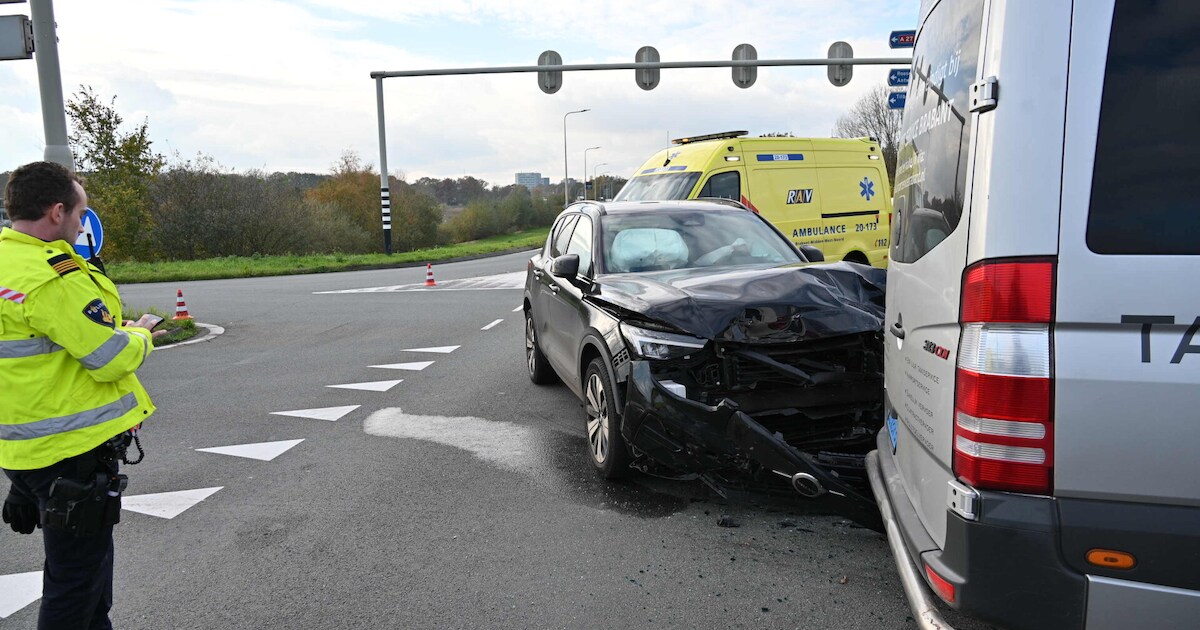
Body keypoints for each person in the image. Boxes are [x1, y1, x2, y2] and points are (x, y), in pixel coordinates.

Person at [0, 161, 164, 629]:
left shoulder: (4, 263)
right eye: (78, 215)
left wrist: (20, 480)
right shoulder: (50, 276)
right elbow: (109, 356)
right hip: (70, 453)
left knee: (83, 584)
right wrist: (141, 334)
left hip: (22, 450)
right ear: (57, 212)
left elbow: (25, 366)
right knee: (75, 587)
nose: (78, 225)